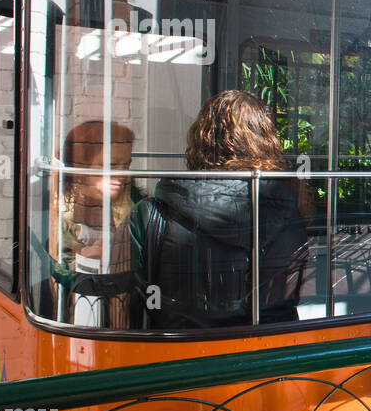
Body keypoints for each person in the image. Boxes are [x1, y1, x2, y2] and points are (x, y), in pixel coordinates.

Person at [129, 90, 309, 329]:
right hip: (272, 344)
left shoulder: (151, 214)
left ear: (200, 138)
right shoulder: (290, 208)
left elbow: (135, 298)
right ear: (264, 142)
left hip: (181, 345)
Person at [49, 120, 140, 326]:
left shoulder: (135, 203)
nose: (122, 175)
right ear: (82, 167)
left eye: (126, 165)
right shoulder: (59, 209)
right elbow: (56, 273)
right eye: (111, 166)